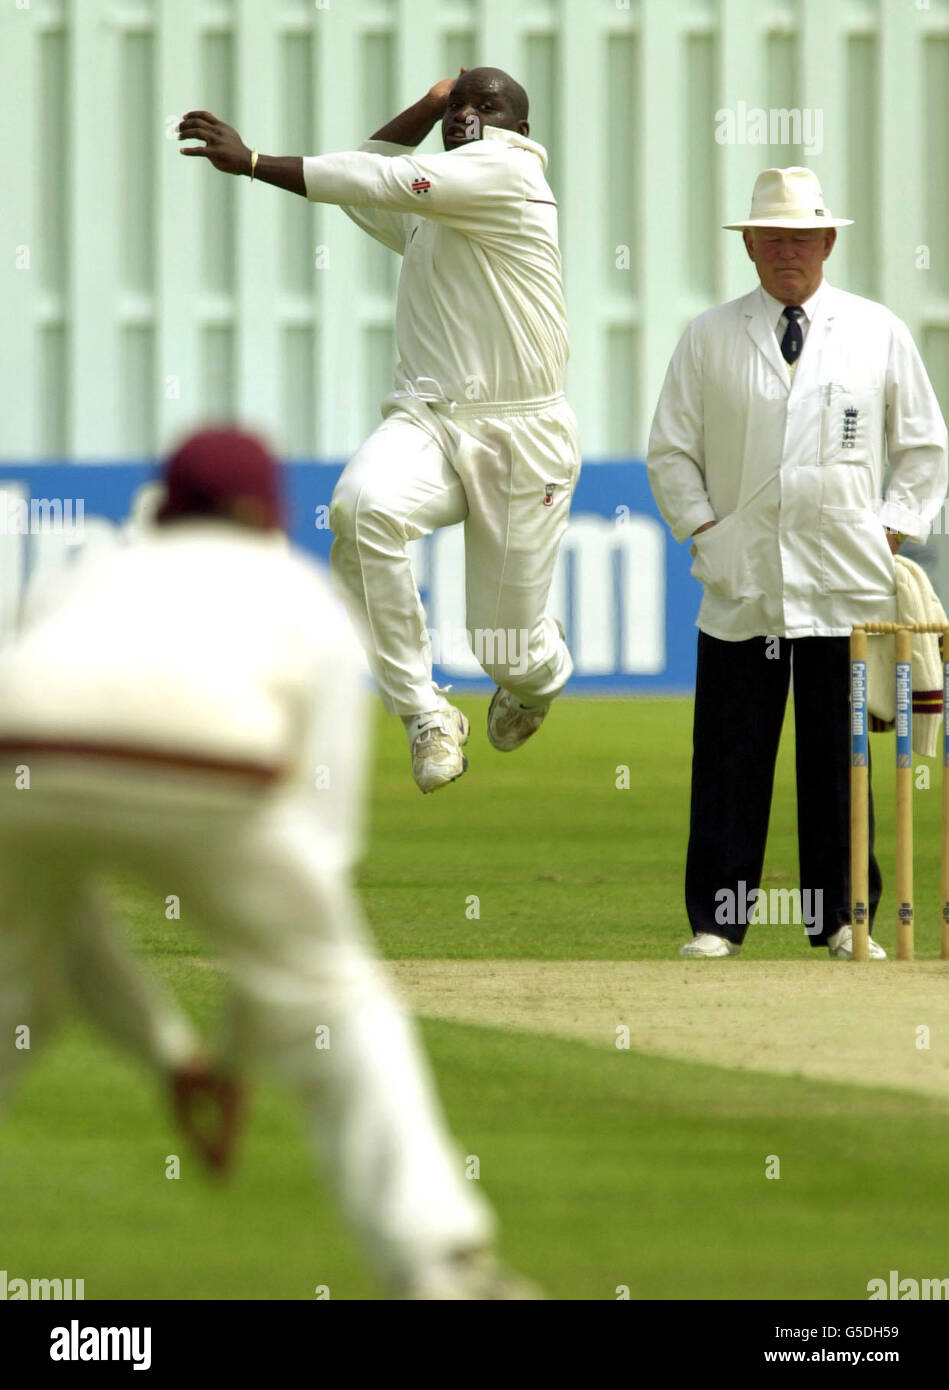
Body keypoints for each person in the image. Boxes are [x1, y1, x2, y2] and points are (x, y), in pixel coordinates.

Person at [0, 428, 539, 1299]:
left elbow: (71, 932)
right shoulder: (302, 598)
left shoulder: (83, 580)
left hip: (18, 751)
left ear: (165, 510)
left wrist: (173, 1054)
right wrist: (240, 1048)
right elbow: (317, 861)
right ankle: (441, 1268)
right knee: (337, 993)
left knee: (10, 989)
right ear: (266, 515)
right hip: (212, 759)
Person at [177, 66, 581, 794]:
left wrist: (255, 163)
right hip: (429, 419)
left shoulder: (508, 175)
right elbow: (371, 175)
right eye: (457, 105)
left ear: (520, 132)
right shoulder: (444, 196)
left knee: (507, 651)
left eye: (483, 106)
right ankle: (425, 714)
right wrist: (426, 107)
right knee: (360, 510)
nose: (465, 115)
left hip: (522, 437)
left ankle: (538, 676)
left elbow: (382, 178)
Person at [646, 168, 948, 961]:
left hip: (844, 585)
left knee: (839, 761)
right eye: (772, 236)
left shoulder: (875, 329)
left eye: (802, 237)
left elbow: (922, 447)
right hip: (741, 581)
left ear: (828, 242)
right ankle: (715, 922)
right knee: (729, 756)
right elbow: (671, 451)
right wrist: (703, 531)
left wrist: (887, 530)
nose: (788, 250)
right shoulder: (708, 335)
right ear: (748, 244)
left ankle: (846, 919)